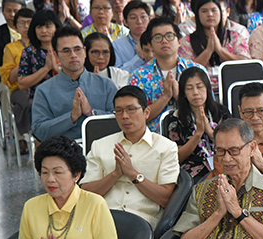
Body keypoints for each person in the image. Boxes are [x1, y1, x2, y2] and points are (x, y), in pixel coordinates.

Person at [81, 86, 180, 227]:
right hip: (103, 219)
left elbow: (166, 198)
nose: (125, 116)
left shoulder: (166, 147)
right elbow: (86, 194)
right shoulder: (100, 145)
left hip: (143, 224)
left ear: (146, 112)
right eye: (119, 111)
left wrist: (133, 174)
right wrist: (115, 174)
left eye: (131, 109)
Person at [31, 26, 117, 141]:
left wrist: (91, 113)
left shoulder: (106, 85)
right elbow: (39, 131)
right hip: (62, 153)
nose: (73, 55)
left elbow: (120, 120)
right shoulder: (44, 90)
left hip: (103, 151)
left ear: (85, 52)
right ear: (56, 56)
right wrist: (71, 117)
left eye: (77, 49)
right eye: (66, 51)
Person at [129, 17, 207, 132]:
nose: (164, 41)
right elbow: (135, 118)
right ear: (150, 45)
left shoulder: (197, 70)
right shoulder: (138, 76)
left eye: (169, 36)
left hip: (193, 135)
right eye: (158, 37)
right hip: (154, 140)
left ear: (179, 41)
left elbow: (207, 111)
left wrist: (179, 96)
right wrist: (165, 97)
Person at [164, 66, 230, 180]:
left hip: (224, 165)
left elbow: (232, 145)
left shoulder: (221, 112)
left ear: (207, 89)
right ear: (184, 93)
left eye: (199, 87)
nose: (195, 93)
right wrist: (198, 133)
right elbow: (176, 158)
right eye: (189, 88)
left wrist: (210, 132)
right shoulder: (174, 120)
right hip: (192, 172)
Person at [178, 0, 250, 72]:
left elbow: (247, 63)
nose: (210, 14)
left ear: (220, 13)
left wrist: (220, 50)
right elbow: (185, 69)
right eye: (204, 11)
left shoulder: (235, 37)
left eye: (214, 10)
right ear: (197, 15)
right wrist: (208, 51)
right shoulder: (187, 41)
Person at [0, 8, 35, 144]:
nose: (26, 27)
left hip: (41, 83)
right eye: (21, 23)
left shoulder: (41, 44)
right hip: (20, 87)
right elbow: (9, 77)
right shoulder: (11, 48)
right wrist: (26, 63)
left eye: (29, 23)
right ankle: (25, 136)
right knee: (25, 101)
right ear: (16, 27)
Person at [17, 10, 61, 106]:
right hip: (39, 102)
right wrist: (46, 68)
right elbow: (22, 84)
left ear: (56, 28)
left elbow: (75, 77)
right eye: (39, 27)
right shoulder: (28, 52)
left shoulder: (65, 49)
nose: (44, 30)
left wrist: (57, 68)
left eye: (48, 26)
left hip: (64, 100)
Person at [0, 0, 24, 99]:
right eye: (8, 10)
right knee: (5, 91)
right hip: (4, 79)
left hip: (32, 75)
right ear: (3, 11)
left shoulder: (32, 32)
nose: (12, 14)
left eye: (16, 11)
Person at [112, 0, 151, 73]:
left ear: (149, 19)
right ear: (125, 22)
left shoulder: (157, 41)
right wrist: (139, 57)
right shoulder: (116, 45)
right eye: (133, 18)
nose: (139, 21)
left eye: (143, 17)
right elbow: (117, 74)